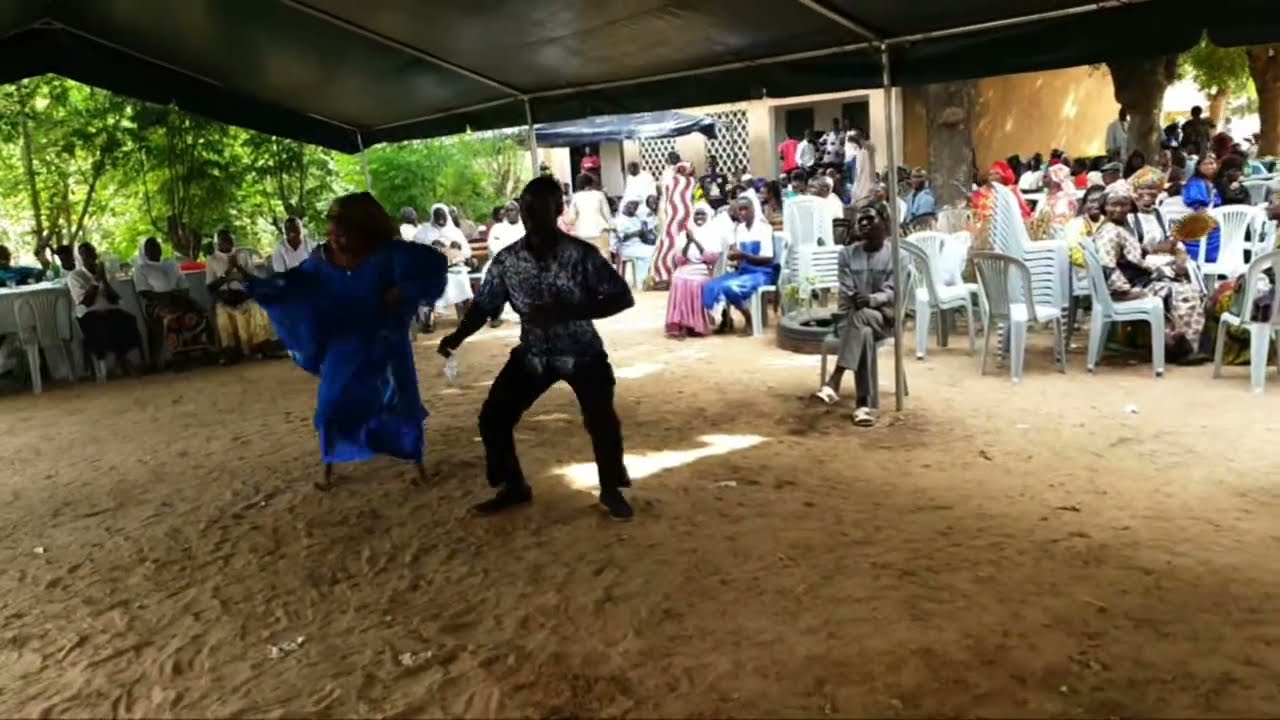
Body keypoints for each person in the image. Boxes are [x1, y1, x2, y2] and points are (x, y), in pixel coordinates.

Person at [436, 175, 636, 521]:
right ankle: (513, 486)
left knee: (602, 421)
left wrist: (570, 310)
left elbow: (622, 296)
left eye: (538, 210)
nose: (530, 217)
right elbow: (485, 306)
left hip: (582, 353)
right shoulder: (508, 260)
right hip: (533, 355)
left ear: (558, 210)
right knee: (493, 417)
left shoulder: (581, 254)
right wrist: (456, 337)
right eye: (526, 209)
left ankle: (610, 489)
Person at [248, 192, 447, 489]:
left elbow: (435, 267)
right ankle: (328, 469)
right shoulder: (321, 258)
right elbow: (295, 285)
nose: (335, 239)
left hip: (387, 343)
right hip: (343, 346)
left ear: (364, 229)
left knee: (400, 404)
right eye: (332, 232)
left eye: (343, 232)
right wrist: (261, 286)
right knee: (332, 406)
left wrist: (402, 291)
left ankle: (418, 466)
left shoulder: (391, 254)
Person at [1092, 181, 1206, 363]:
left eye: (1124, 204)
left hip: (1138, 280)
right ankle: (1187, 348)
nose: (1119, 209)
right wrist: (1126, 292)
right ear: (1104, 207)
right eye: (1113, 204)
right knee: (1184, 292)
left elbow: (1132, 253)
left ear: (1130, 206)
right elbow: (1108, 266)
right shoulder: (1110, 232)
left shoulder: (1119, 227)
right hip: (1126, 289)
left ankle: (1175, 343)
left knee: (1179, 283)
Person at [812, 201, 896, 427]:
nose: (865, 223)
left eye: (871, 218)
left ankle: (835, 379)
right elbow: (847, 289)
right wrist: (860, 300)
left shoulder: (894, 255)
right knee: (863, 330)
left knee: (865, 322)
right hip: (849, 319)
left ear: (884, 223)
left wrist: (872, 299)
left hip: (883, 319)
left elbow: (892, 292)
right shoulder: (847, 255)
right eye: (861, 220)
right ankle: (863, 405)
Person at [1201, 197, 1280, 365]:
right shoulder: (1276, 230)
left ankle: (1237, 354)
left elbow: (1273, 272)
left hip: (1273, 301)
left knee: (1221, 297)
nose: (1268, 206)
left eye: (1273, 203)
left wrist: (1247, 279)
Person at [702, 196, 776, 335]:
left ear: (753, 209)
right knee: (712, 286)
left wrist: (743, 256)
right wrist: (734, 257)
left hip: (762, 273)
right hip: (744, 271)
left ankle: (750, 320)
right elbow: (737, 254)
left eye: (745, 209)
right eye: (739, 210)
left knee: (731, 287)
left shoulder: (764, 228)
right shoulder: (740, 229)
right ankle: (726, 319)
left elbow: (768, 258)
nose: (742, 213)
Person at [132, 236, 211, 364]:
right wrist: (168, 296)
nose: (155, 250)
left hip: (178, 300)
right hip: (156, 304)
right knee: (171, 319)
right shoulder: (141, 269)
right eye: (151, 248)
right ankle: (176, 356)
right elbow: (145, 293)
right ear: (145, 252)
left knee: (198, 314)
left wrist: (178, 296)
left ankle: (201, 348)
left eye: (157, 246)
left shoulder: (171, 264)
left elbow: (184, 286)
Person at [67, 242, 143, 374]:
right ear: (80, 258)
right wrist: (96, 281)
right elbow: (86, 302)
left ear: (95, 255)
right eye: (84, 255)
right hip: (89, 313)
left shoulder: (105, 272)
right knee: (102, 325)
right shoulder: (75, 276)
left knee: (128, 320)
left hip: (110, 310)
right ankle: (121, 362)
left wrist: (105, 281)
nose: (89, 257)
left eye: (91, 253)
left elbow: (115, 299)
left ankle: (121, 359)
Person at [206, 229, 277, 363]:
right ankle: (230, 351)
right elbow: (210, 287)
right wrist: (227, 274)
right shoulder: (212, 260)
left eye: (230, 241)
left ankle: (259, 347)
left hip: (243, 296)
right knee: (222, 314)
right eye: (223, 241)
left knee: (258, 308)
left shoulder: (243, 255)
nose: (228, 244)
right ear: (218, 244)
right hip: (225, 298)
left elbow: (251, 278)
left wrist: (238, 267)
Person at [666, 201, 725, 339]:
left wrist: (695, 241)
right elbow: (679, 259)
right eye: (696, 214)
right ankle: (681, 325)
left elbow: (710, 259)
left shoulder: (713, 234)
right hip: (686, 267)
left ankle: (693, 324)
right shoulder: (684, 234)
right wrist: (688, 241)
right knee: (678, 279)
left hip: (703, 269)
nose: (699, 217)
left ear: (708, 216)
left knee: (694, 282)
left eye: (702, 214)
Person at [654, 162, 696, 289]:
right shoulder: (690, 182)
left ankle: (665, 276)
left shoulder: (670, 182)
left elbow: (665, 200)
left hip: (671, 218)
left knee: (668, 246)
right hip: (684, 218)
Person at [1181, 153, 1222, 263]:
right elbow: (1198, 208)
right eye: (1206, 164)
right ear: (1199, 166)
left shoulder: (1213, 183)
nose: (1210, 166)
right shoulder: (1195, 183)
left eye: (1212, 163)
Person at [611, 198, 657, 289]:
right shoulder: (618, 220)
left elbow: (646, 230)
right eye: (632, 204)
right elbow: (620, 239)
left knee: (656, 250)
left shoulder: (637, 218)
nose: (634, 207)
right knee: (649, 253)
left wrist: (645, 231)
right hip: (625, 248)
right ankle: (642, 282)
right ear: (625, 205)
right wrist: (634, 233)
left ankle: (643, 281)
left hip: (638, 245)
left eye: (636, 206)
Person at [1030, 163, 1078, 240]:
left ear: (1055, 179)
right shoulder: (1044, 197)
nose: (1043, 179)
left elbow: (1063, 221)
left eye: (1046, 176)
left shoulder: (1065, 199)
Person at [1128, 167, 1171, 246]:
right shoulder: (1129, 215)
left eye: (1152, 188)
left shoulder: (1161, 213)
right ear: (1135, 190)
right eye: (1142, 188)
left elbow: (1169, 238)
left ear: (1159, 190)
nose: (1147, 191)